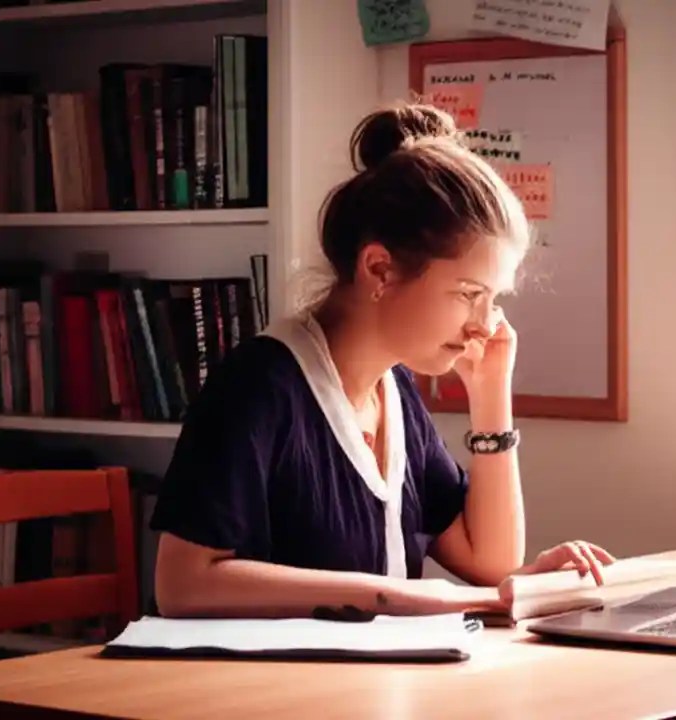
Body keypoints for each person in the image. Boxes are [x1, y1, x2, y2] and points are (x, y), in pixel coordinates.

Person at [150, 103, 615, 619]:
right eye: (467, 294)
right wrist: (417, 598)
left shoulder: (393, 392)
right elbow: (183, 584)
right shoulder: (259, 386)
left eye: (493, 297)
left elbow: (491, 562)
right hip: (274, 696)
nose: (485, 324)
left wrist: (490, 396)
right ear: (379, 270)